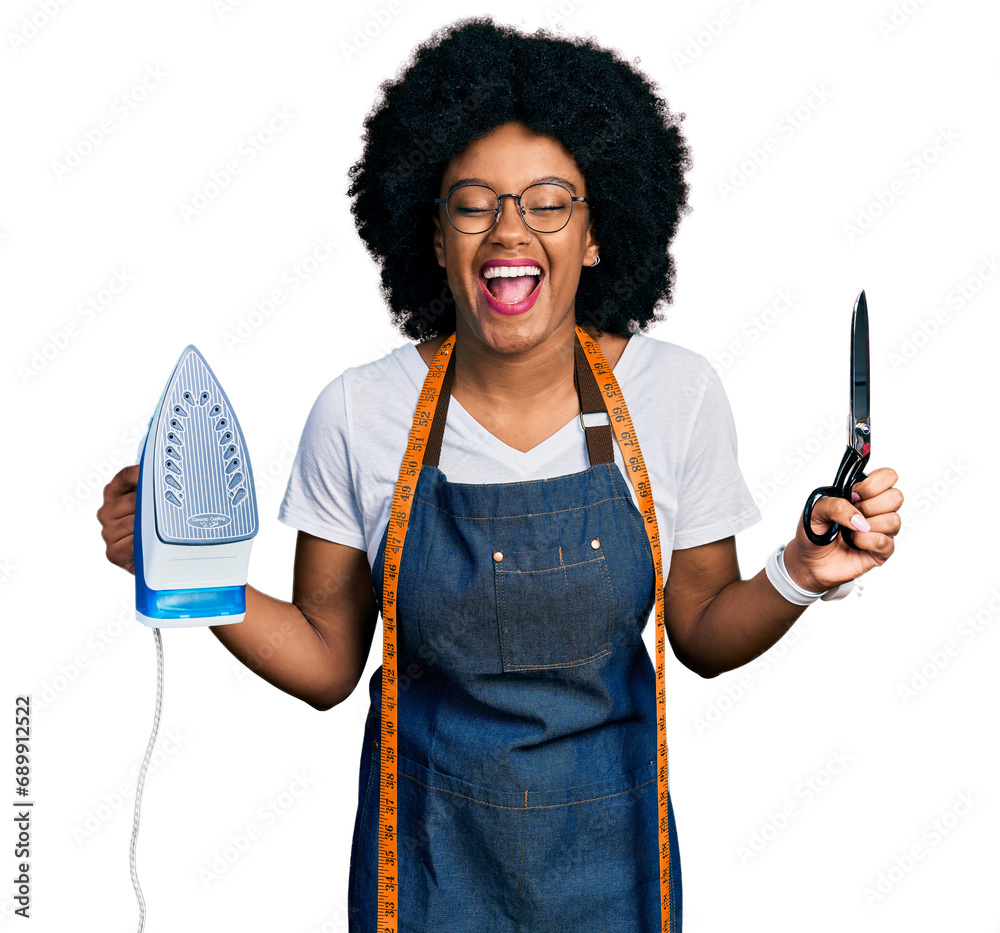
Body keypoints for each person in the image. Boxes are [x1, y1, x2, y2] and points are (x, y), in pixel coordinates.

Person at [97, 17, 903, 933]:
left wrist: (801, 569)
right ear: (433, 235)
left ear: (597, 235)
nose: (508, 231)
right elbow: (326, 660)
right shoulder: (361, 413)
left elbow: (704, 631)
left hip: (618, 871)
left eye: (548, 201)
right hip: (428, 873)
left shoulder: (674, 394)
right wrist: (189, 573)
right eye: (473, 203)